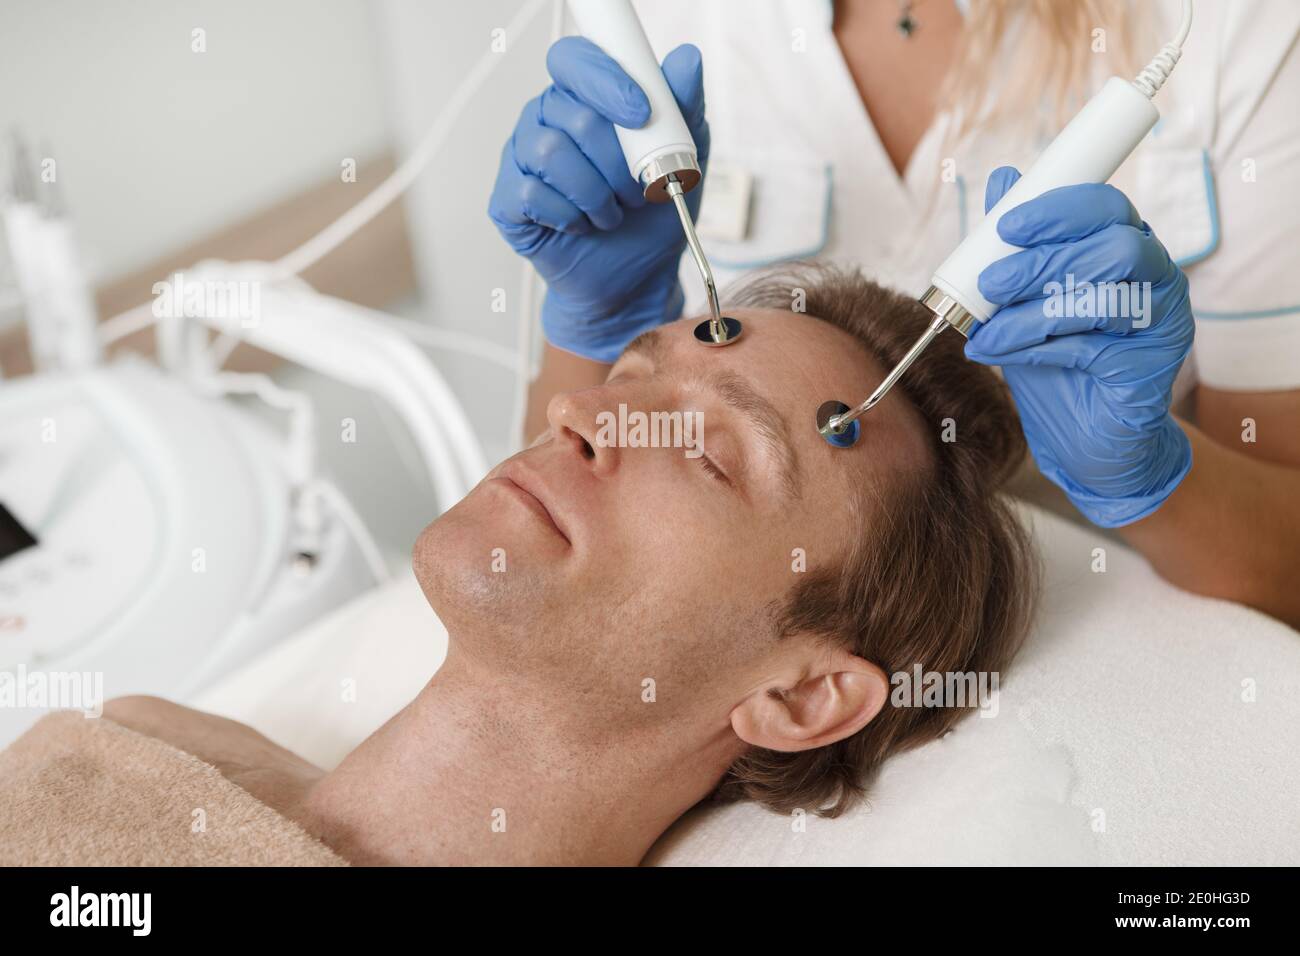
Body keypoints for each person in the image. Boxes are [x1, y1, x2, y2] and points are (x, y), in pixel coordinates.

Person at [0, 265, 1036, 866]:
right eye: (628, 374)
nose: (578, 410)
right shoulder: (139, 737)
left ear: (803, 693)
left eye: (707, 451)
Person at [489, 0, 1300, 628]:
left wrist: (1149, 480)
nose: (577, 416)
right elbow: (554, 491)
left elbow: (1286, 566)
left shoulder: (1226, 31)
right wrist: (594, 326)